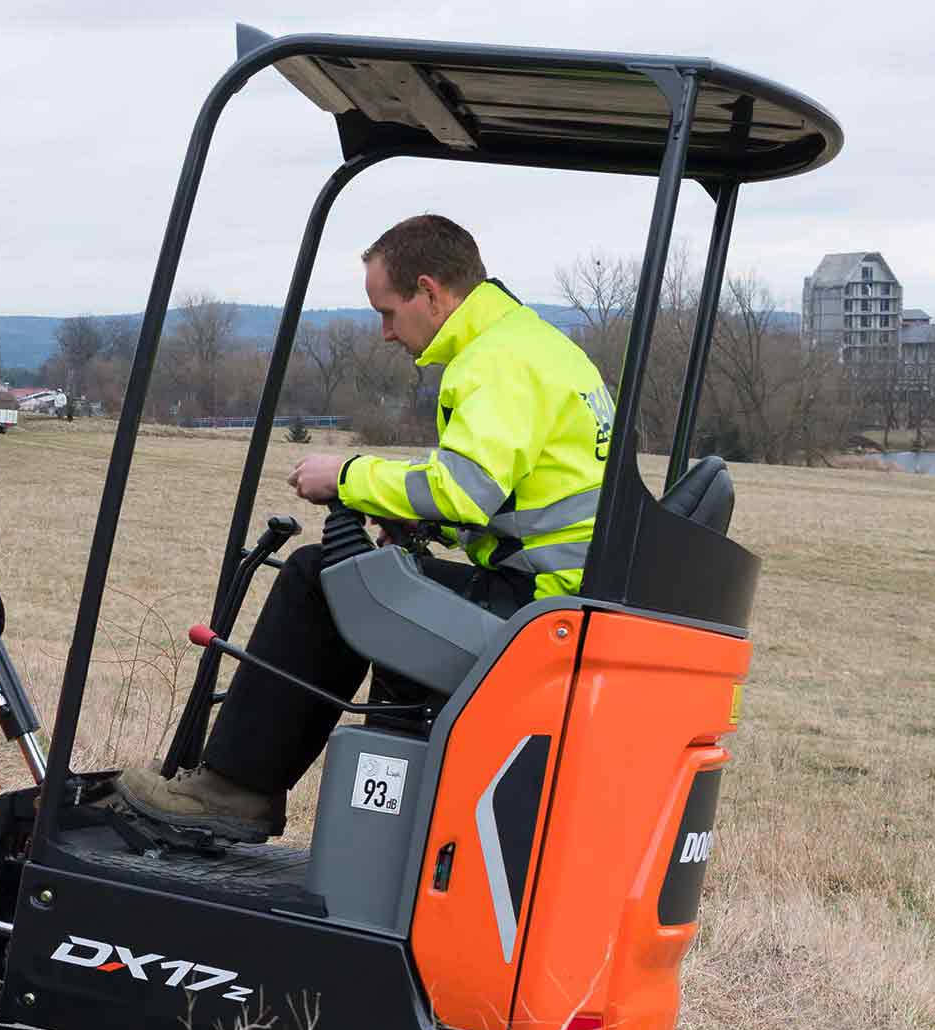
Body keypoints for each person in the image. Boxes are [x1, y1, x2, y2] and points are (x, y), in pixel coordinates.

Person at [116, 214, 615, 842]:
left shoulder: (498, 362)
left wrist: (347, 476)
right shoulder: (537, 345)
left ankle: (236, 790)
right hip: (560, 597)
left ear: (430, 292)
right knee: (372, 585)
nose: (383, 333)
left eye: (387, 311)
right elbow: (514, 498)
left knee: (318, 578)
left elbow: (462, 490)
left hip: (539, 612)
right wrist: (411, 516)